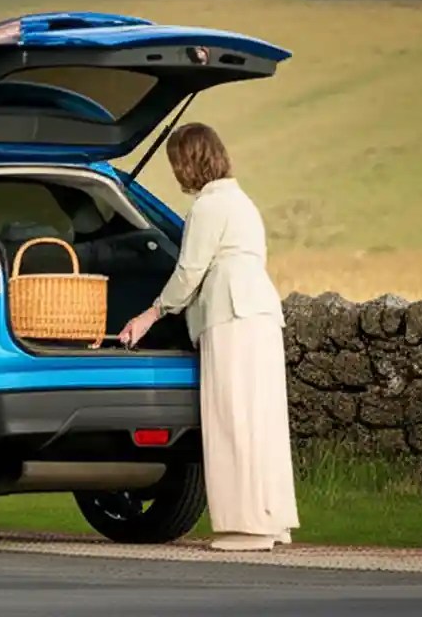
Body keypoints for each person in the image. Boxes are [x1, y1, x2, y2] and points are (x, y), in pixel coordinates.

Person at [116, 122, 299, 552]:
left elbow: (189, 271)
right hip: (260, 311)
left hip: (230, 313)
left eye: (177, 163)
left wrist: (150, 314)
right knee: (262, 418)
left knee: (231, 417)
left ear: (189, 161)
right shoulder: (241, 201)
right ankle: (270, 520)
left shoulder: (208, 207)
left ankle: (243, 527)